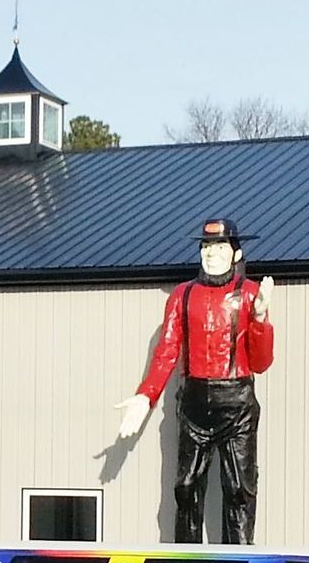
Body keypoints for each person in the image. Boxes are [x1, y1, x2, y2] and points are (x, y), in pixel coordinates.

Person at [116, 218, 275, 544]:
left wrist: (259, 318)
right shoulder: (182, 295)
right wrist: (146, 396)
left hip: (237, 402)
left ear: (236, 253)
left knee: (239, 490)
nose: (210, 253)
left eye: (218, 246)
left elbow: (260, 363)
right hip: (193, 403)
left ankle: (240, 559)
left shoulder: (250, 294)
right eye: (205, 246)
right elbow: (167, 351)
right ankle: (186, 560)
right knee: (186, 487)